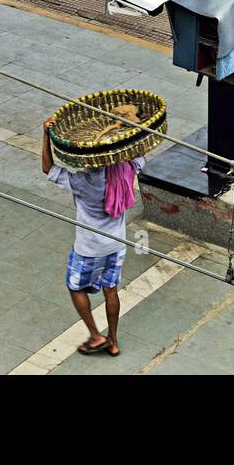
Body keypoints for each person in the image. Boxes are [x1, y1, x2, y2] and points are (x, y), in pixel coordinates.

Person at [42, 118, 143, 357]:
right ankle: (114, 341)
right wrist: (130, 134)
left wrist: (45, 135)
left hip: (89, 248)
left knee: (75, 287)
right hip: (116, 244)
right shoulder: (126, 170)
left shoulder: (84, 181)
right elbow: (141, 154)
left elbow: (48, 168)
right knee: (111, 290)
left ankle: (96, 335)